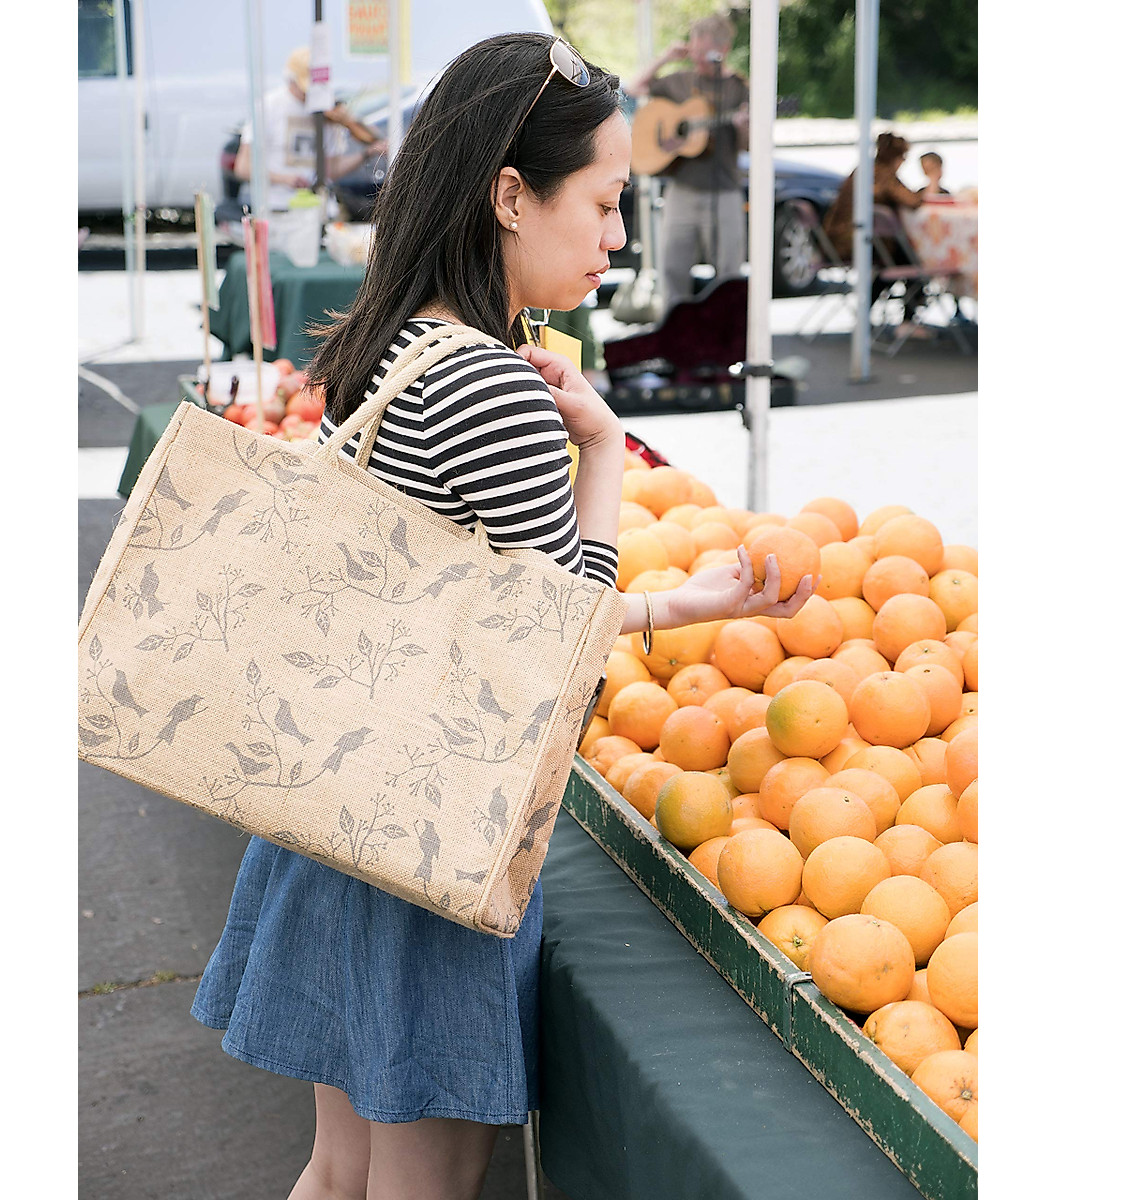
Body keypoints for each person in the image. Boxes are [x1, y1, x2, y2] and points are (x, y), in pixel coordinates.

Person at [191, 33, 815, 1200]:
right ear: (512, 195)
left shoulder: (402, 340)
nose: (619, 238)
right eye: (606, 204)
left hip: (345, 807)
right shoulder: (491, 385)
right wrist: (603, 451)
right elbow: (553, 651)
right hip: (433, 851)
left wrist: (680, 603)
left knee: (339, 1171)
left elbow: (475, 604)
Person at [627, 12, 749, 310]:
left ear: (723, 50)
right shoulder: (680, 81)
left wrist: (743, 126)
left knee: (728, 274)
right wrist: (666, 57)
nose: (696, 58)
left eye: (703, 53)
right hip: (681, 190)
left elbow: (748, 146)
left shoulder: (740, 88)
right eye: (693, 49)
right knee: (672, 270)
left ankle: (724, 333)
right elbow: (633, 88)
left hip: (724, 190)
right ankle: (674, 333)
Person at [234, 45, 388, 213]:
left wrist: (366, 153)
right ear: (291, 79)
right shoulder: (269, 106)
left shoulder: (328, 111)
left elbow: (331, 170)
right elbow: (242, 167)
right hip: (278, 210)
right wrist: (284, 179)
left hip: (320, 209)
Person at [821, 131, 930, 339]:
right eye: (903, 157)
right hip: (854, 241)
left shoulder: (863, 170)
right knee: (912, 262)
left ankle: (866, 314)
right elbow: (912, 201)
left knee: (893, 264)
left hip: (834, 239)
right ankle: (907, 319)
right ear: (896, 157)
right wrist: (930, 185)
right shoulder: (884, 175)